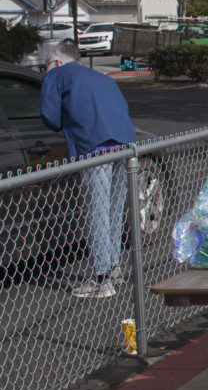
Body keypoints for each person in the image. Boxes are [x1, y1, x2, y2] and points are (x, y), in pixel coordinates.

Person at [40, 41, 137, 299]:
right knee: (114, 210)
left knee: (97, 211)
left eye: (45, 66)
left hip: (93, 146)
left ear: (57, 63)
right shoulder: (102, 78)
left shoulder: (57, 75)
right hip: (124, 144)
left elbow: (50, 118)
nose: (45, 70)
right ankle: (112, 267)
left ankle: (100, 279)